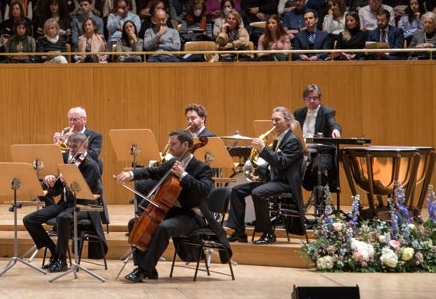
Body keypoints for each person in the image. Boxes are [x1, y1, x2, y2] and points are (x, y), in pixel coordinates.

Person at [115, 130, 225, 283]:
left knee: (164, 228)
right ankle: (149, 269)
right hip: (172, 212)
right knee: (135, 223)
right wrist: (131, 175)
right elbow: (152, 172)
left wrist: (184, 176)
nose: (170, 147)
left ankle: (142, 270)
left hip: (192, 216)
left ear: (185, 145)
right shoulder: (172, 163)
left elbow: (204, 191)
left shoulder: (202, 168)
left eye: (173, 144)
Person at [23, 132, 103, 273]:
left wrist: (69, 181)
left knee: (63, 218)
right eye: (70, 147)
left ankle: (61, 259)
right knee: (29, 220)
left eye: (75, 147)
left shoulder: (91, 166)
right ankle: (55, 251)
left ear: (85, 146)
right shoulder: (69, 163)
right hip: (65, 205)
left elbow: (83, 193)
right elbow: (56, 192)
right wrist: (50, 181)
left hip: (84, 207)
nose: (71, 150)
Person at [225, 107, 304, 245]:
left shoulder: (293, 140)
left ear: (288, 121)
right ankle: (239, 232)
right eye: (272, 119)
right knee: (236, 191)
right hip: (272, 179)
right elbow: (271, 160)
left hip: (285, 182)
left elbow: (281, 163)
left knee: (258, 193)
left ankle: (268, 233)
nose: (274, 123)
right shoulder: (277, 139)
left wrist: (263, 149)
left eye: (277, 119)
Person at [293, 84, 342, 193]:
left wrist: (336, 130)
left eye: (314, 98)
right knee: (291, 169)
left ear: (319, 99)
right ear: (305, 100)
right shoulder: (298, 113)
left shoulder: (326, 112)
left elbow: (333, 123)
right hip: (303, 152)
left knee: (317, 169)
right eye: (308, 98)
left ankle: (322, 199)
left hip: (321, 152)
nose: (311, 101)